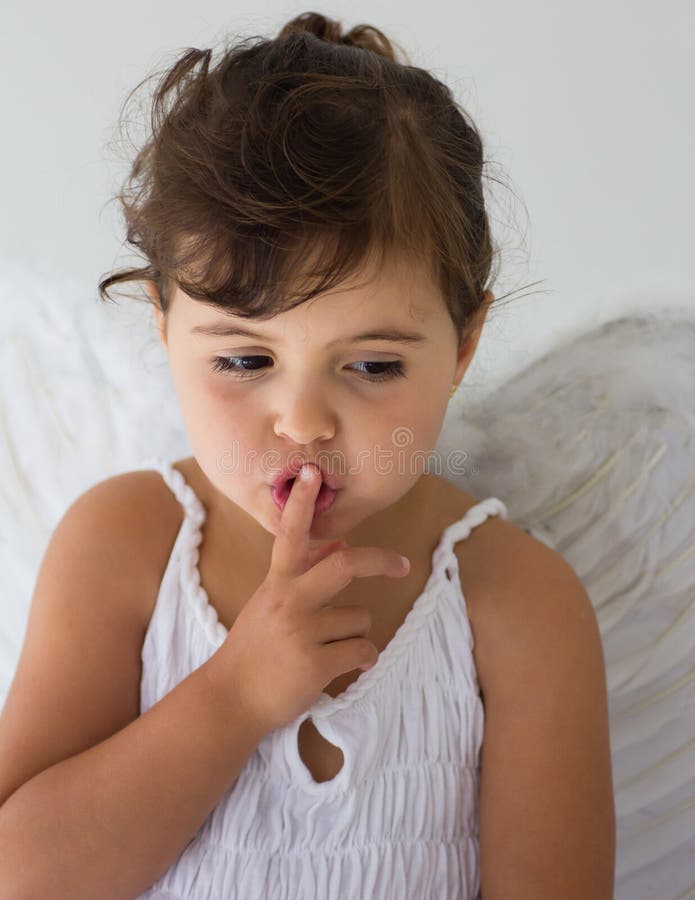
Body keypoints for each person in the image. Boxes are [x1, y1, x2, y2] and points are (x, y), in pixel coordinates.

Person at [0, 11, 615, 899]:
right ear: (163, 326)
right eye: (245, 360)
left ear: (464, 345)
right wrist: (236, 695)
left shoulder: (516, 606)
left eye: (372, 365)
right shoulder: (124, 546)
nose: (302, 424)